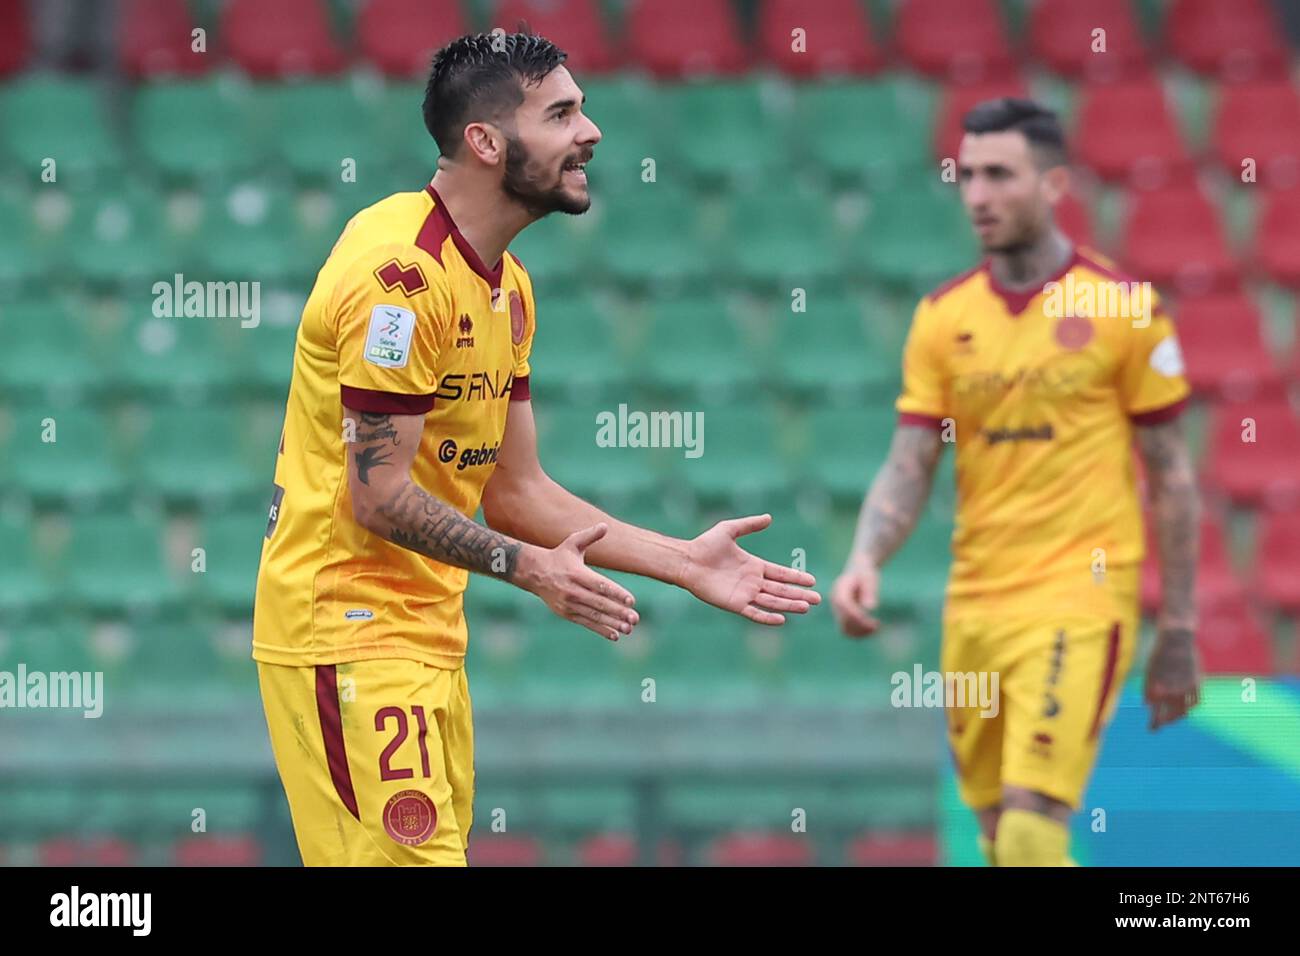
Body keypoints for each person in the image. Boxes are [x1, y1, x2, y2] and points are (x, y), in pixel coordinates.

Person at [252, 32, 820, 866]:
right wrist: (527, 569)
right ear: (485, 142)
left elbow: (515, 491)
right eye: (562, 113)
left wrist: (684, 562)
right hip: (347, 632)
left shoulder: (507, 290)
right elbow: (374, 495)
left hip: (425, 640)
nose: (590, 132)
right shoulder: (397, 279)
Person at [830, 98, 1201, 867]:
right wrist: (866, 559)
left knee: (1034, 829)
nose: (977, 194)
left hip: (1079, 594)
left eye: (1000, 174)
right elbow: (909, 463)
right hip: (976, 603)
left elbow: (1171, 476)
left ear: (1055, 182)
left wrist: (1182, 628)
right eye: (967, 175)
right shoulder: (943, 317)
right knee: (1001, 838)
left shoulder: (1125, 309)